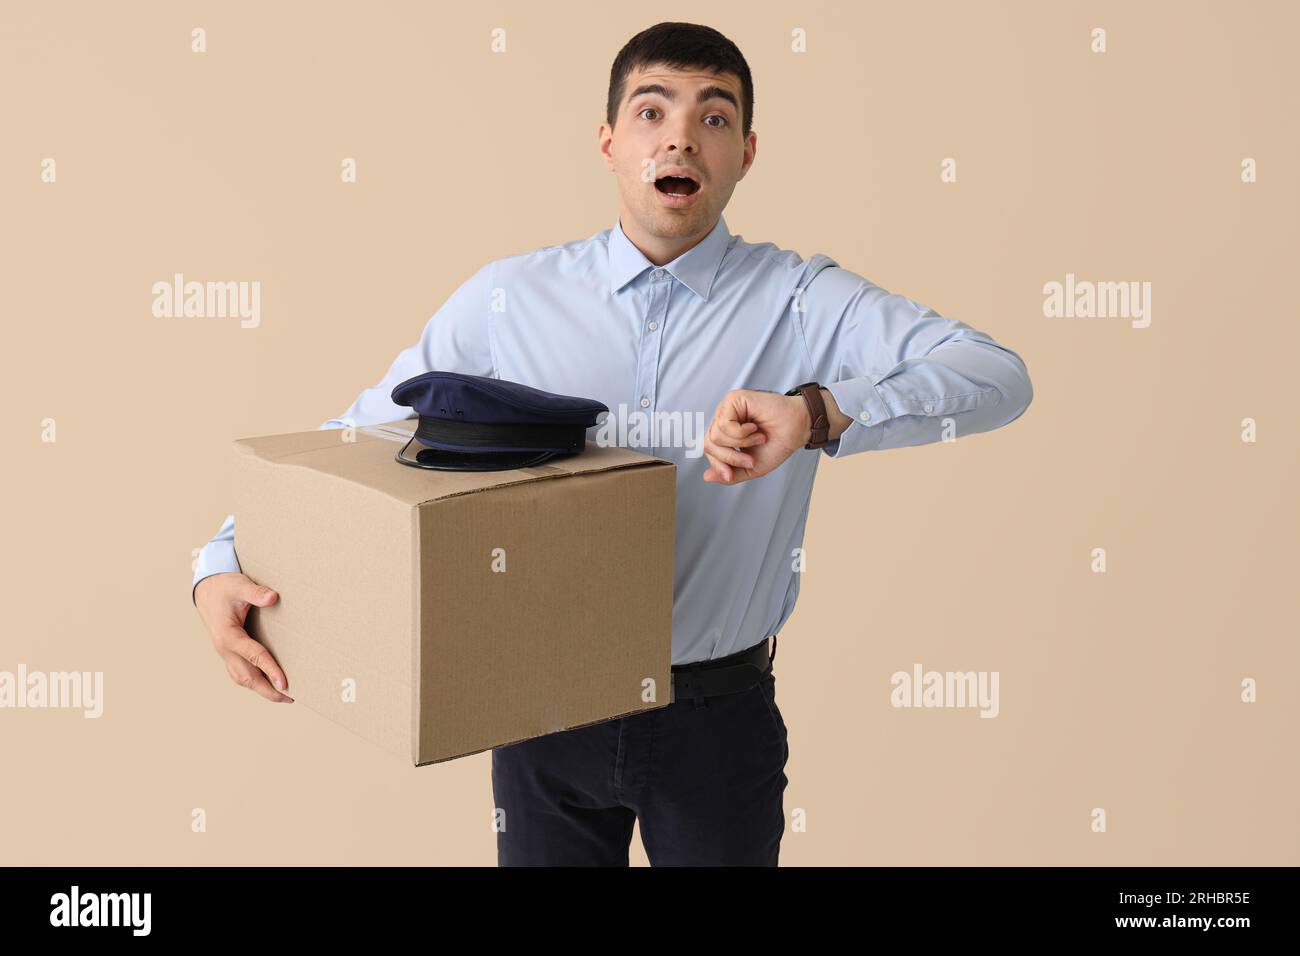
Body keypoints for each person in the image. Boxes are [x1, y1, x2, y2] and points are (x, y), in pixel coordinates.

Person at [192, 21, 1033, 866]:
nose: (678, 136)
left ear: (745, 151)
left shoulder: (805, 300)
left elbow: (996, 376)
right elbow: (361, 437)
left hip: (718, 721)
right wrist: (221, 559)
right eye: (651, 111)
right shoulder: (508, 300)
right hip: (537, 715)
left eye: (712, 117)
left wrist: (819, 413)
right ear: (607, 142)